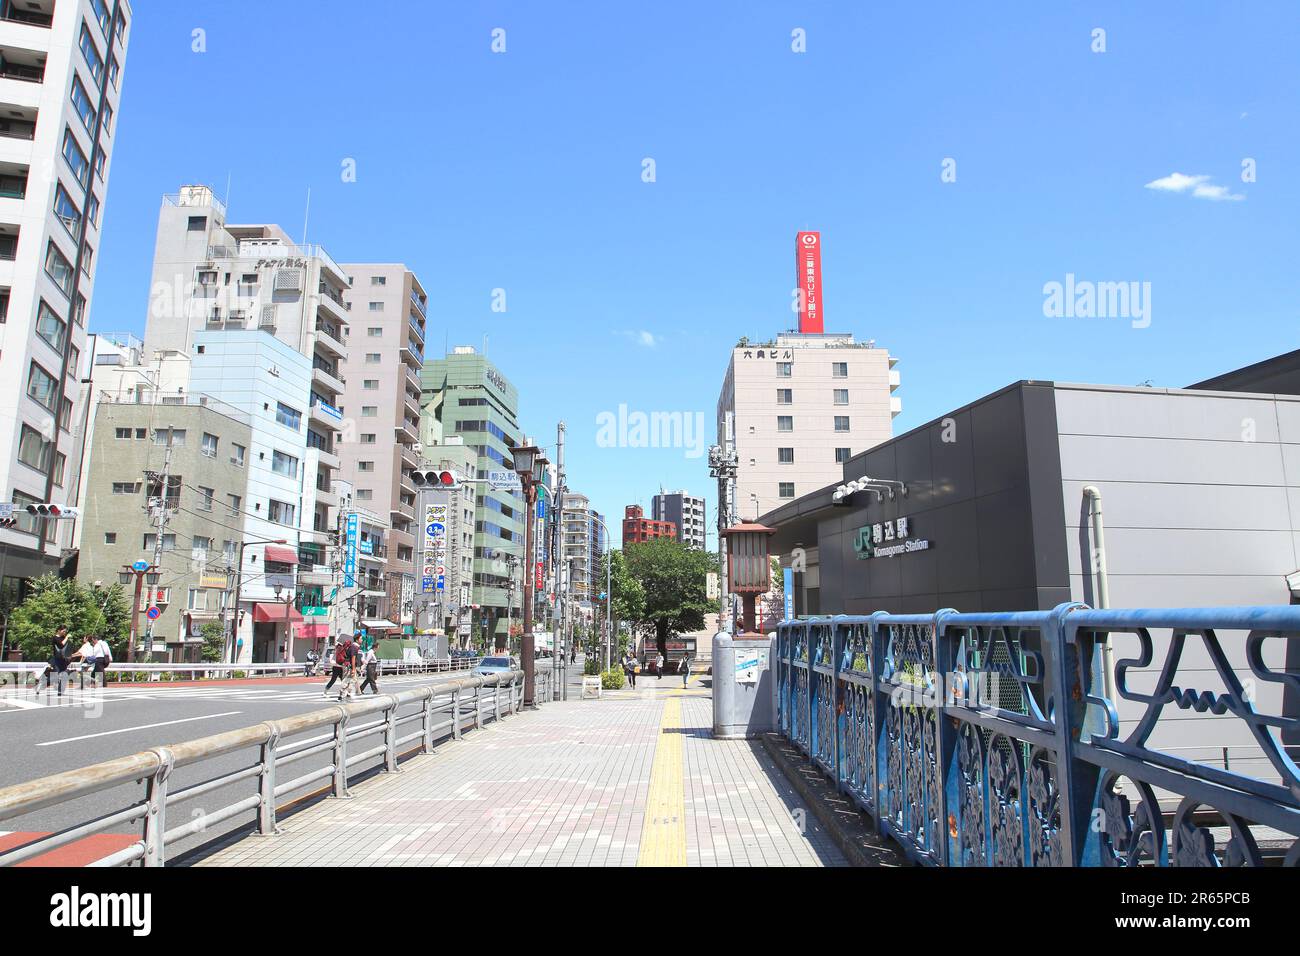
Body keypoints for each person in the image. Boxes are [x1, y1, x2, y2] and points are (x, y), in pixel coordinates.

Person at [38, 626, 74, 697]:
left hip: (63, 660)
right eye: (63, 631)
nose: (65, 632)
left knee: (64, 675)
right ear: (59, 630)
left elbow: (67, 647)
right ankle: (42, 685)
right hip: (57, 660)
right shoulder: (55, 638)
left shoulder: (64, 638)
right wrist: (67, 638)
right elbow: (61, 645)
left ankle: (60, 691)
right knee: (55, 676)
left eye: (65, 631)